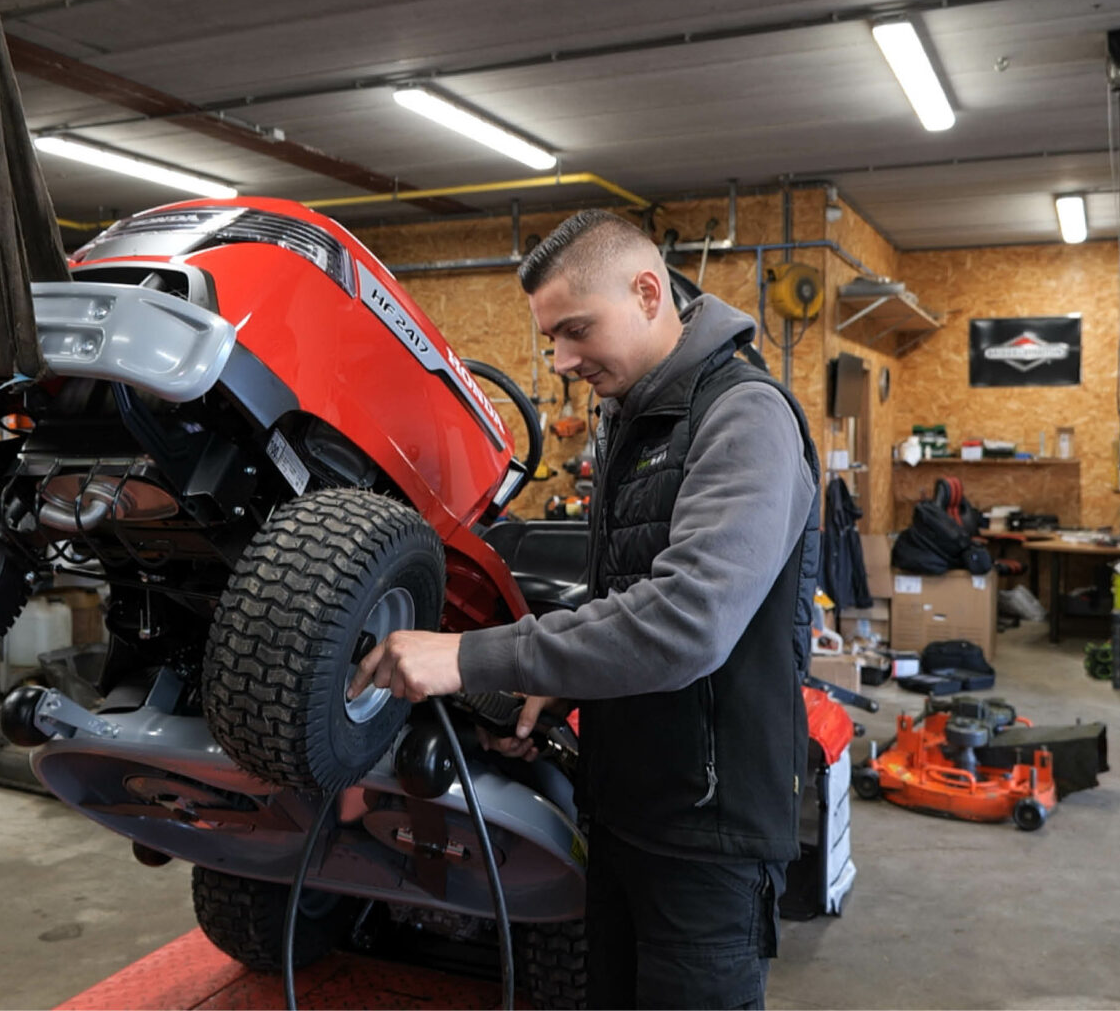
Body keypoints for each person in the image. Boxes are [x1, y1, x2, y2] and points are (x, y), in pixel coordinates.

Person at [347, 209, 820, 1010]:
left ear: (646, 292)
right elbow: (624, 598)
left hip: (709, 832)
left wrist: (467, 657)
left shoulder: (743, 417)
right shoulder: (633, 417)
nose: (562, 361)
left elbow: (684, 622)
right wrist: (567, 686)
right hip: (630, 808)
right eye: (551, 339)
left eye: (575, 330)